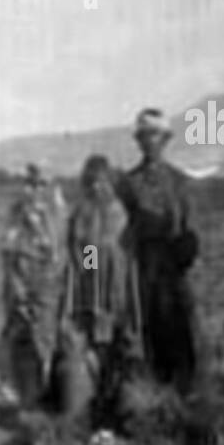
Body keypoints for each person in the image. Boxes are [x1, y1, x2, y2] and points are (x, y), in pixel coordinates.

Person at [116, 108, 199, 392]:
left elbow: (190, 228)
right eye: (145, 136)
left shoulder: (179, 181)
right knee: (149, 333)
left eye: (156, 136)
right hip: (143, 268)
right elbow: (119, 232)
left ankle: (184, 402)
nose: (151, 142)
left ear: (165, 140)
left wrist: (187, 251)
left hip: (175, 270)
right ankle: (153, 404)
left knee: (182, 333)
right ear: (138, 141)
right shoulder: (128, 184)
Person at [58, 155, 141, 420]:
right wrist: (90, 268)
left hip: (117, 285)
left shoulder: (119, 210)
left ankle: (115, 402)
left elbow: (124, 249)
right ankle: (89, 404)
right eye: (92, 182)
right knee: (91, 342)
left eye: (102, 182)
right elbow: (81, 245)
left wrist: (113, 270)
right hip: (92, 288)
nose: (97, 187)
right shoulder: (84, 212)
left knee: (117, 342)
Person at [2, 163, 66, 407]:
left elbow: (65, 251)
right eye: (33, 183)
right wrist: (15, 284)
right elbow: (8, 250)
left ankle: (43, 398)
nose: (36, 189)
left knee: (45, 341)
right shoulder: (19, 211)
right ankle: (25, 398)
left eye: (42, 184)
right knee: (20, 340)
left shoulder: (59, 211)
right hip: (22, 279)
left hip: (48, 284)